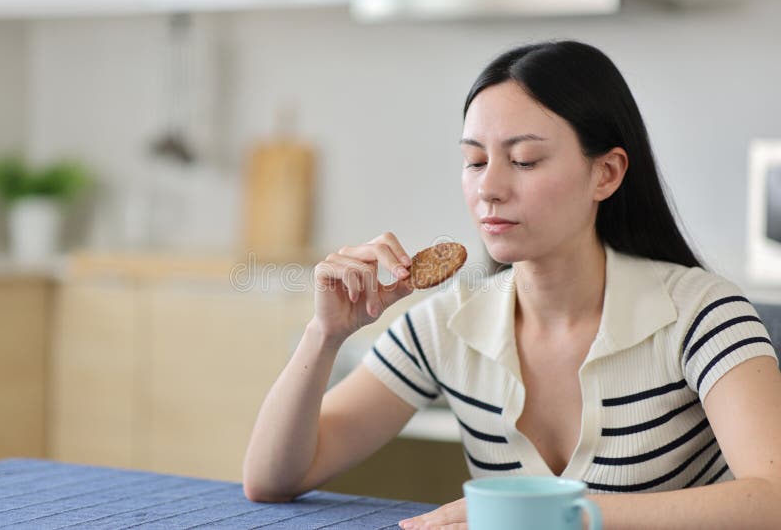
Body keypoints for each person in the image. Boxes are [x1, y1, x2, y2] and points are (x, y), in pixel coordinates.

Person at [242, 40, 781, 529]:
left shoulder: (703, 315)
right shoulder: (445, 325)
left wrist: (561, 519)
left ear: (607, 174)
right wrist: (325, 332)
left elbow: (772, 497)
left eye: (523, 160)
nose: (489, 188)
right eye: (474, 161)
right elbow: (272, 479)